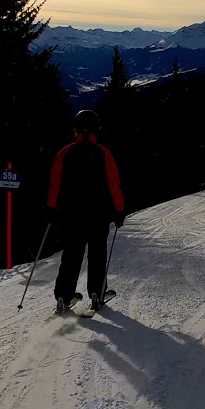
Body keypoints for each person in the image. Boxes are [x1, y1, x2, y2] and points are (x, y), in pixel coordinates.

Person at [48, 109, 126, 315]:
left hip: (71, 214)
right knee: (97, 254)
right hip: (98, 214)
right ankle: (97, 294)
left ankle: (64, 296)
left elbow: (54, 185)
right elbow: (113, 184)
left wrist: (50, 209)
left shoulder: (64, 153)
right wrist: (119, 210)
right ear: (96, 128)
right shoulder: (103, 153)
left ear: (75, 129)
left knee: (71, 255)